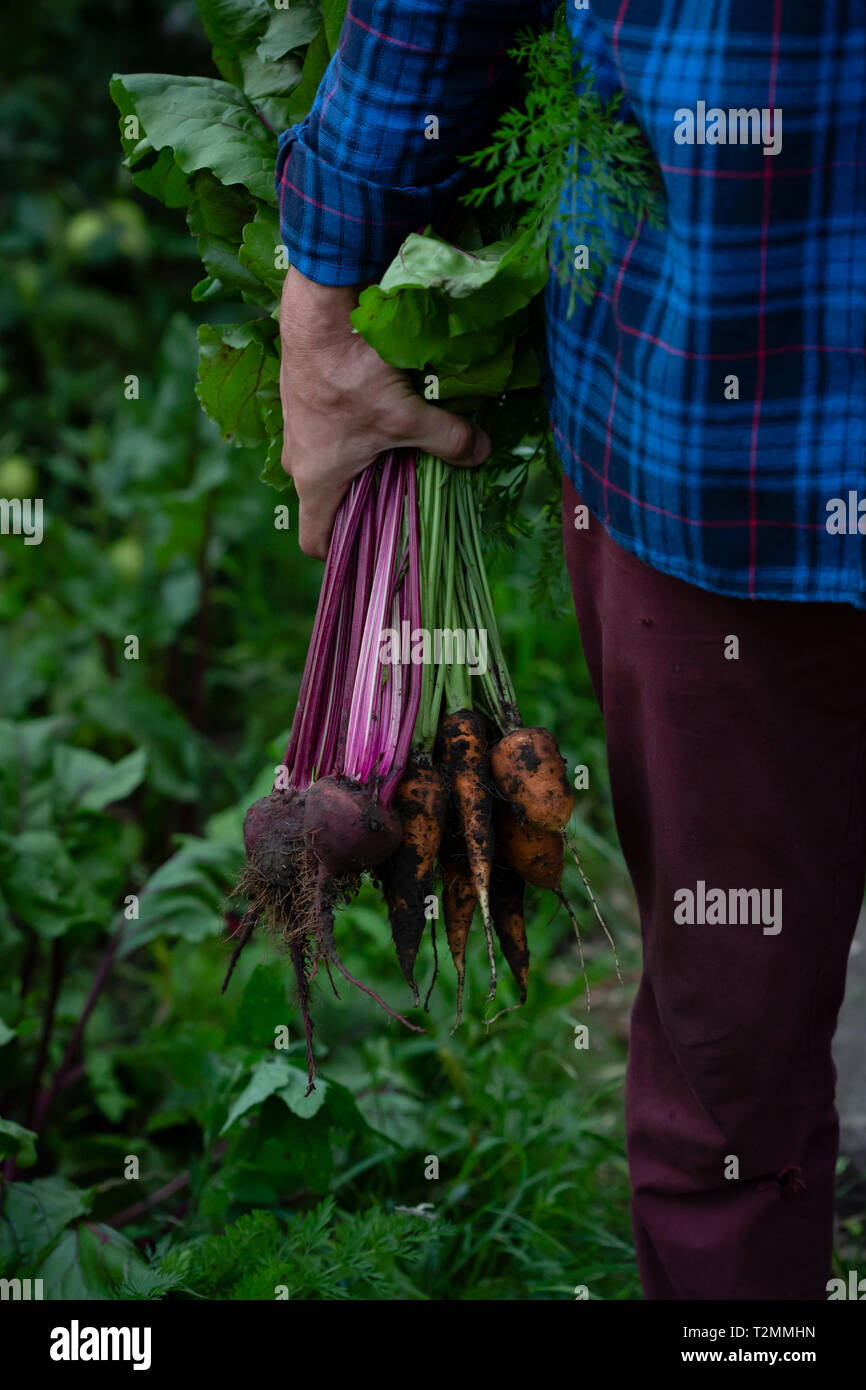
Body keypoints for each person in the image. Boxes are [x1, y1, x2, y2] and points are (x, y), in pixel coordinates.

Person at [275, 1, 866, 1300]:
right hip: (729, 413)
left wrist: (323, 292)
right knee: (730, 1069)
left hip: (730, 400)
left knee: (730, 1079)